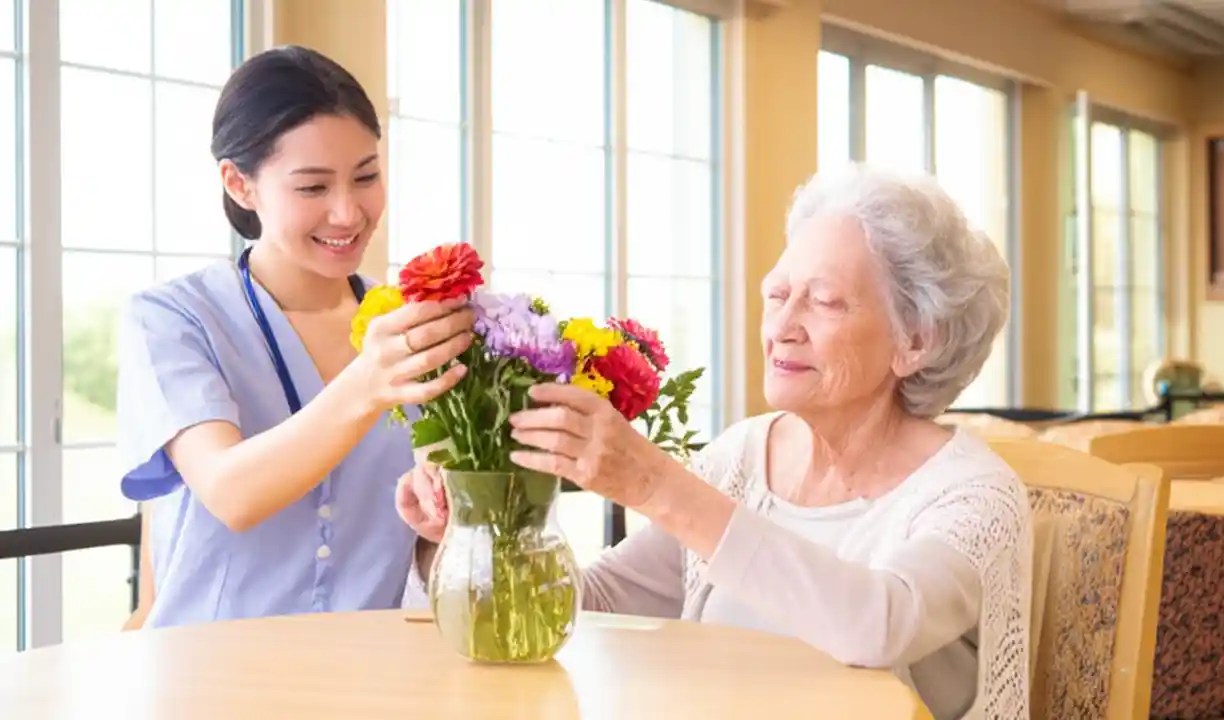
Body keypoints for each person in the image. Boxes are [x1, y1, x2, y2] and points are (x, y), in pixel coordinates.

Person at [400, 163, 1031, 720]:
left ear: (915, 341)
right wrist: (467, 535)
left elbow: (880, 624)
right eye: (778, 295)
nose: (783, 327)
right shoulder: (744, 457)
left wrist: (652, 482)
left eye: (827, 303)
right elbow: (588, 605)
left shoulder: (974, 497)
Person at [116, 45, 472, 629]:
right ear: (239, 184)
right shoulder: (172, 319)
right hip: (206, 684)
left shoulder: (417, 327)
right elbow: (231, 493)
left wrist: (445, 526)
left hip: (366, 684)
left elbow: (436, 558)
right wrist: (369, 383)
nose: (347, 213)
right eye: (312, 188)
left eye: (366, 177)